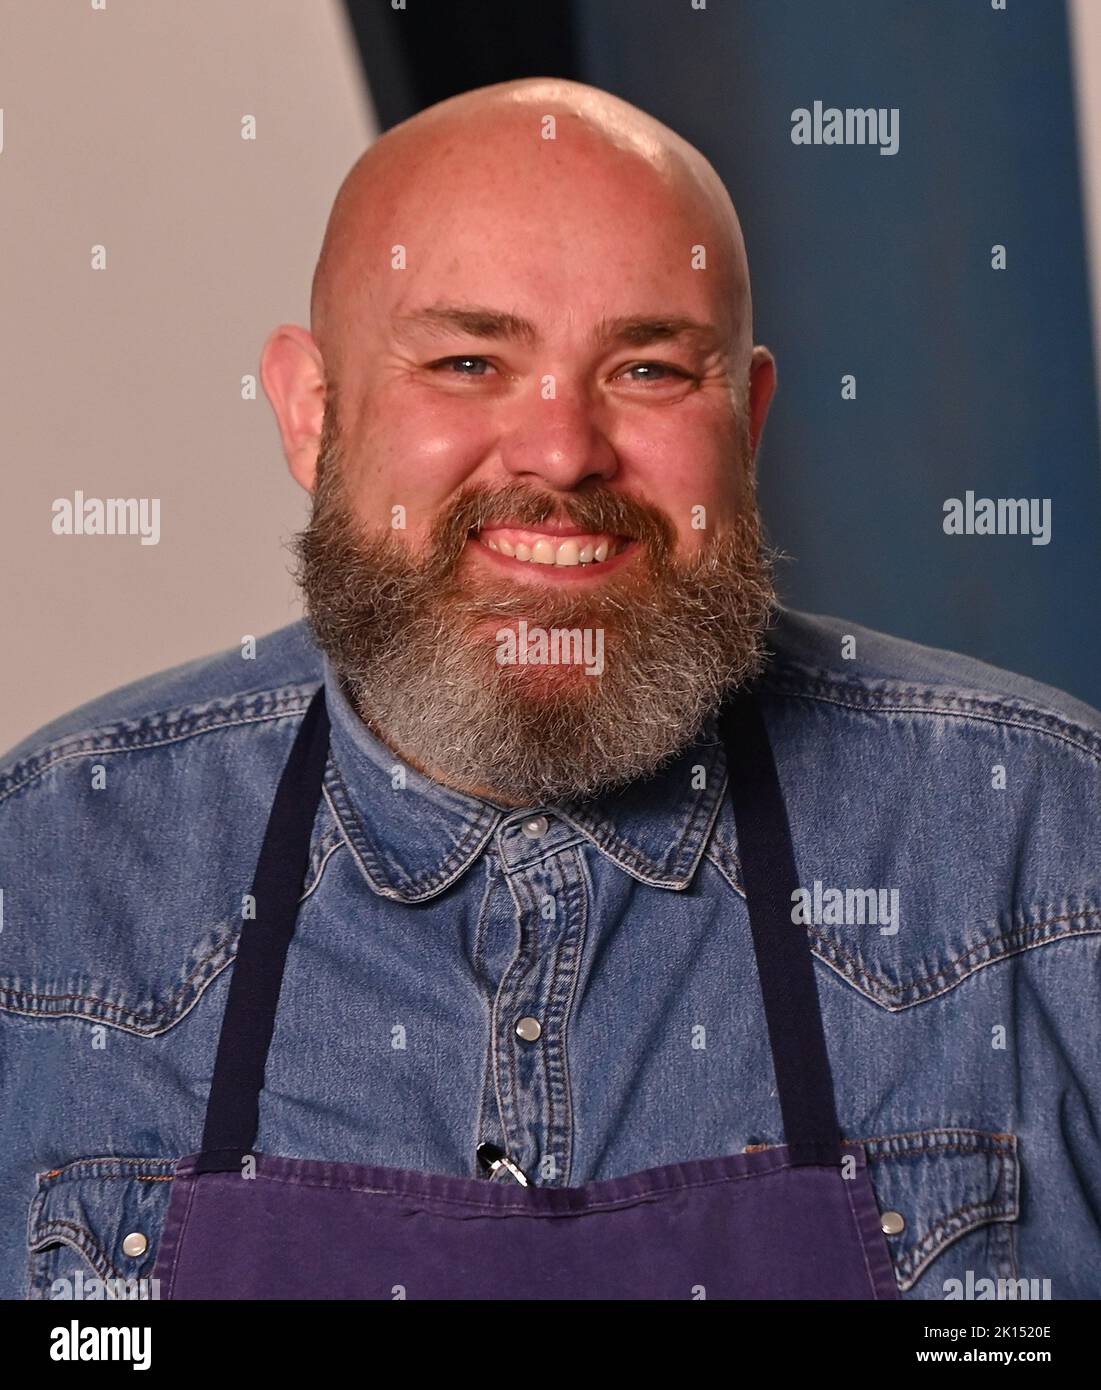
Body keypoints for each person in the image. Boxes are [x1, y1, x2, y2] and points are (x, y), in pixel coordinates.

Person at [3, 78, 1098, 1302]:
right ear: (314, 414)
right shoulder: (46, 880)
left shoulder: (1048, 854)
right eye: (470, 359)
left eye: (648, 369)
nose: (565, 449)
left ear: (750, 417)